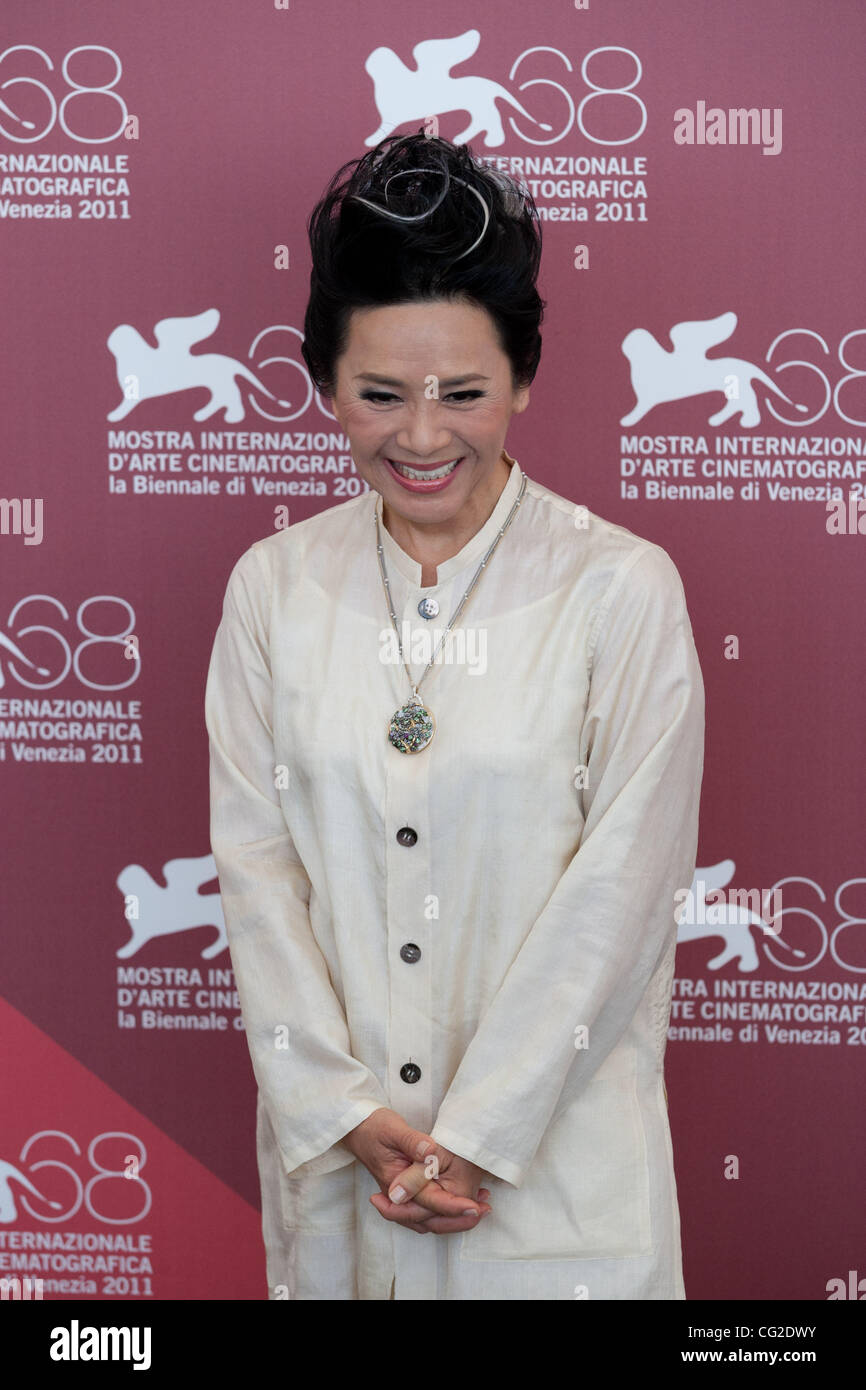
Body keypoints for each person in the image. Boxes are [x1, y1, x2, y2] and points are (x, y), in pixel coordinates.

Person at [204, 132, 705, 1300]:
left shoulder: (617, 587)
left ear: (523, 380)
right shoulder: (272, 588)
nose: (421, 438)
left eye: (464, 395)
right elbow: (257, 870)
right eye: (378, 395)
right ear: (324, 383)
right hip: (344, 1179)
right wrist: (346, 1109)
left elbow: (620, 894)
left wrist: (474, 1133)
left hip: (555, 1187)